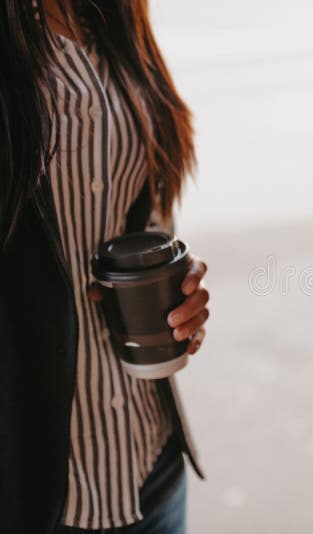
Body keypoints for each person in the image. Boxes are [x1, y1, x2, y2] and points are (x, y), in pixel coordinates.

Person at [0, 1, 210, 533]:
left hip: (147, 458)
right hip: (34, 487)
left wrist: (174, 277)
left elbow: (142, 203)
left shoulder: (113, 18)